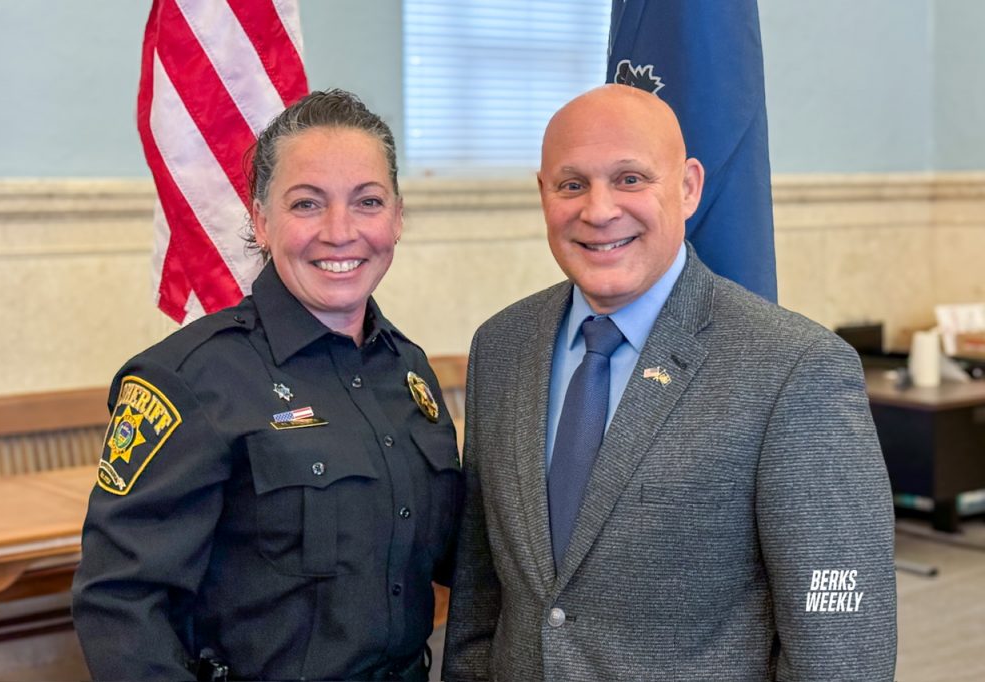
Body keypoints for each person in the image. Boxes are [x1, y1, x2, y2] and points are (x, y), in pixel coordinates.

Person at [443, 84, 896, 681]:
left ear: (688, 187)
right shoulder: (502, 346)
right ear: (543, 193)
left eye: (630, 179)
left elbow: (840, 642)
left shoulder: (795, 367)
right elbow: (481, 596)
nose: (599, 210)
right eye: (571, 184)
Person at [72, 89, 462, 681]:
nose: (340, 231)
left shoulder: (406, 371)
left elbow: (454, 558)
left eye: (368, 201)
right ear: (261, 219)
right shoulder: (190, 379)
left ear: (397, 217)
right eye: (307, 204)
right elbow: (121, 607)